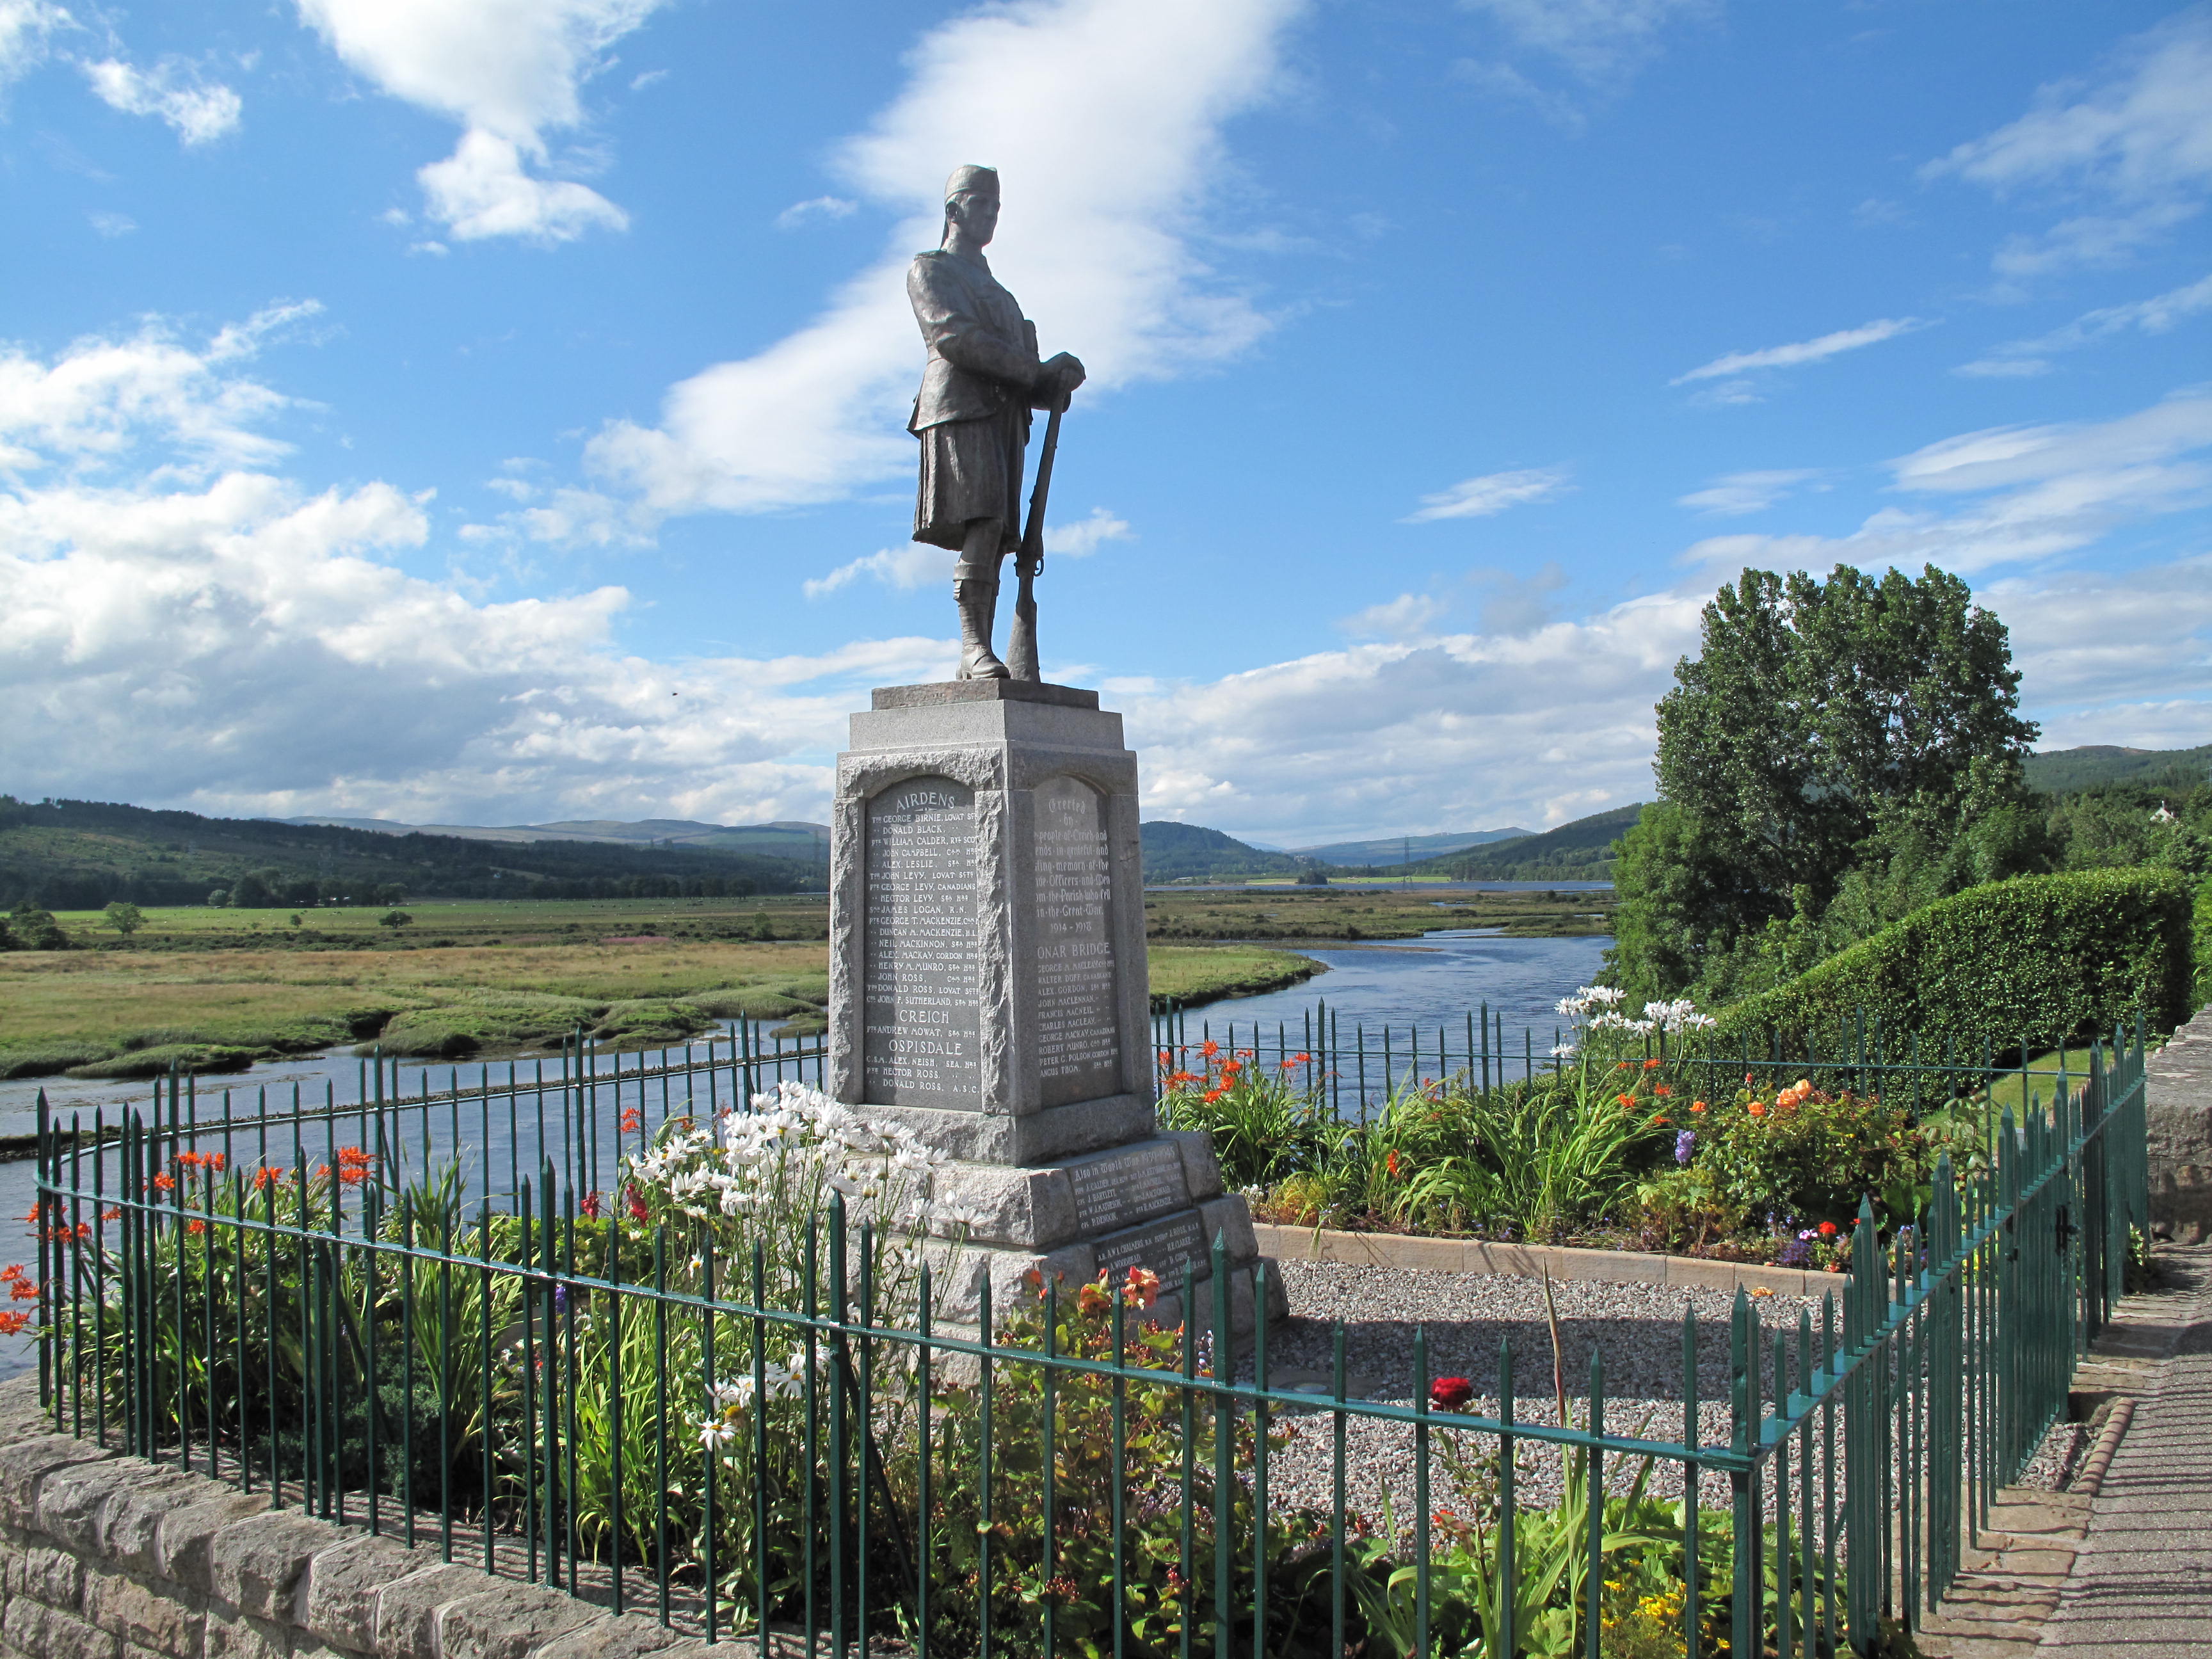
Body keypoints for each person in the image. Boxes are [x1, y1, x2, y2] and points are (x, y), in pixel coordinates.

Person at [906, 165, 1086, 679]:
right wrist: (1037, 371)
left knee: (1000, 537)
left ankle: (978, 652)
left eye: (996, 206)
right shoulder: (931, 269)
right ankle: (973, 647)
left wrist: (1055, 381)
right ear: (953, 210)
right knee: (984, 520)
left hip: (1005, 417)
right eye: (980, 203)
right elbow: (955, 338)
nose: (990, 214)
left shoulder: (1003, 296)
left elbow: (1025, 371)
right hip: (959, 408)